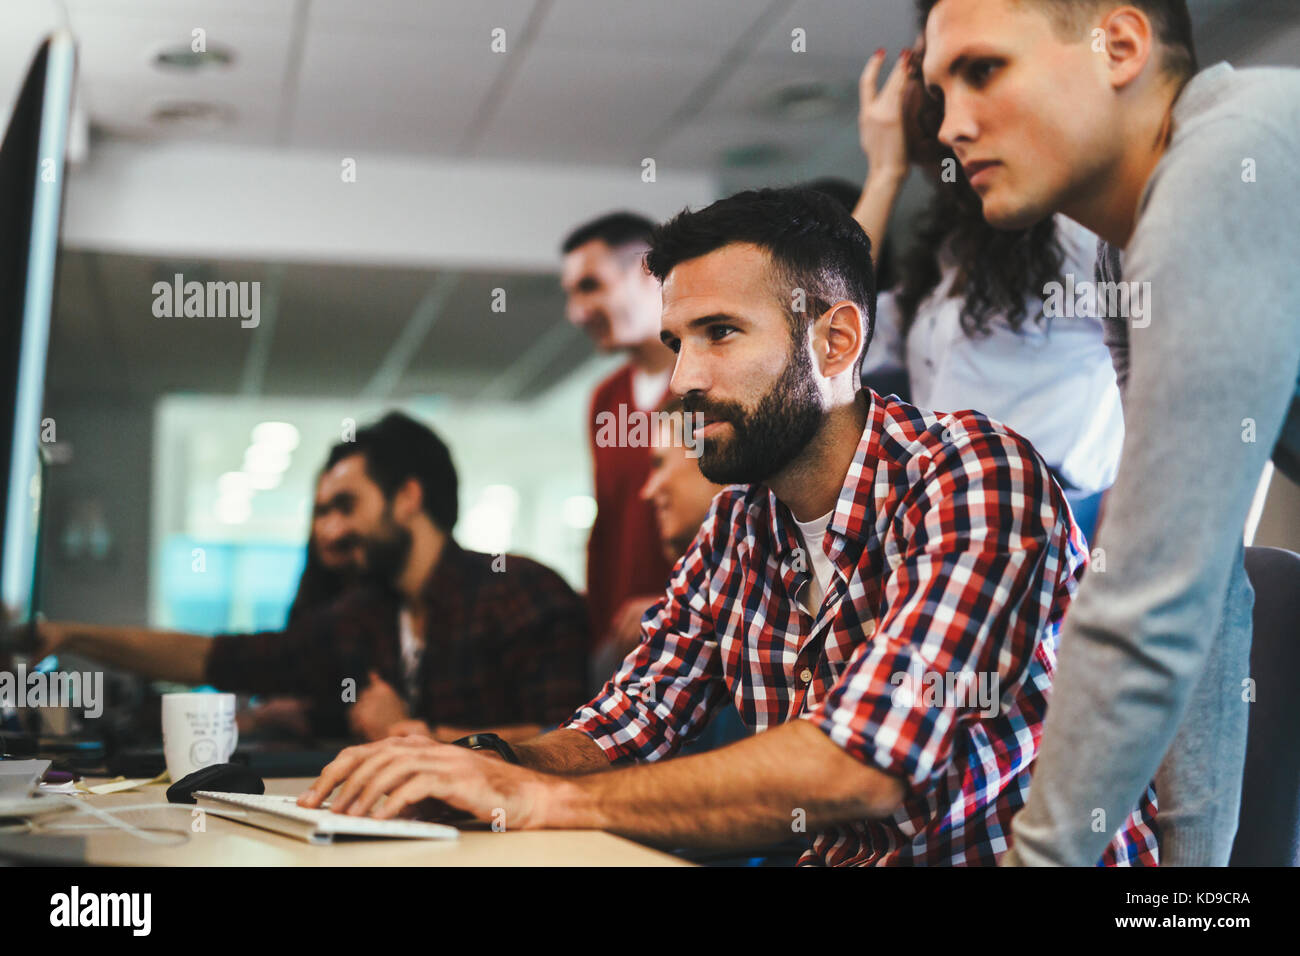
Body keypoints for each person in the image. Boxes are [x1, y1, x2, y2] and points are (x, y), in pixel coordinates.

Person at [299, 188, 1157, 866]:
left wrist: (547, 801)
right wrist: (480, 765)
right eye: (676, 341)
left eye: (719, 333)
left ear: (835, 341)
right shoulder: (741, 525)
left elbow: (860, 767)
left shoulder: (974, 473)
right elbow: (623, 726)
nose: (681, 380)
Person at [918, 0, 1300, 865]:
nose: (951, 125)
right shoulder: (1123, 254)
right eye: (940, 90)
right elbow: (1201, 587)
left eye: (983, 71)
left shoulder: (1224, 166)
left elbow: (1152, 601)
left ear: (1119, 46)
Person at [39, 413, 590, 744]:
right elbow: (216, 657)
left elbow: (577, 740)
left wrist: (422, 737)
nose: (328, 531)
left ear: (408, 499)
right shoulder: (366, 614)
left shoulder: (521, 592)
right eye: (321, 512)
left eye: (345, 506)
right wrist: (68, 635)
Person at [853, 43, 1123, 542]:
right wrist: (884, 173)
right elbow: (832, 318)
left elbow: (1174, 342)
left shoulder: (1070, 232)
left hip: (1047, 514)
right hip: (945, 512)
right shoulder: (950, 259)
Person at [560, 213, 676, 661]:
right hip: (621, 644)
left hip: (701, 631)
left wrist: (680, 604)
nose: (576, 312)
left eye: (590, 286)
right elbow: (608, 525)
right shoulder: (605, 399)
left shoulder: (708, 382)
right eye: (571, 294)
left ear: (648, 270)